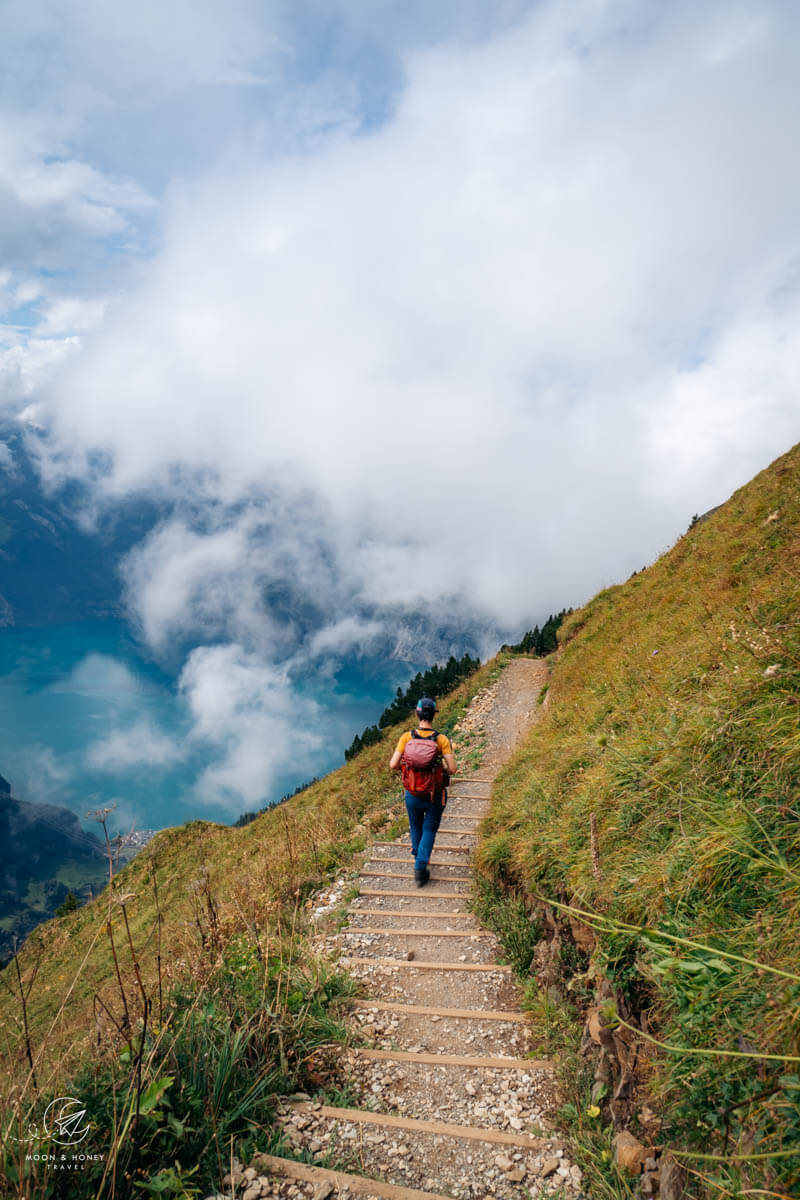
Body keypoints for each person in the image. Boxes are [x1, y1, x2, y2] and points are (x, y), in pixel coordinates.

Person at [389, 697, 457, 886]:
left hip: (412, 792)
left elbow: (393, 764)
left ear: (417, 713)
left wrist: (409, 767)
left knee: (416, 826)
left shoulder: (406, 737)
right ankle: (420, 866)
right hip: (434, 793)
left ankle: (419, 859)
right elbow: (452, 769)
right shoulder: (441, 739)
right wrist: (438, 765)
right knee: (429, 829)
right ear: (433, 715)